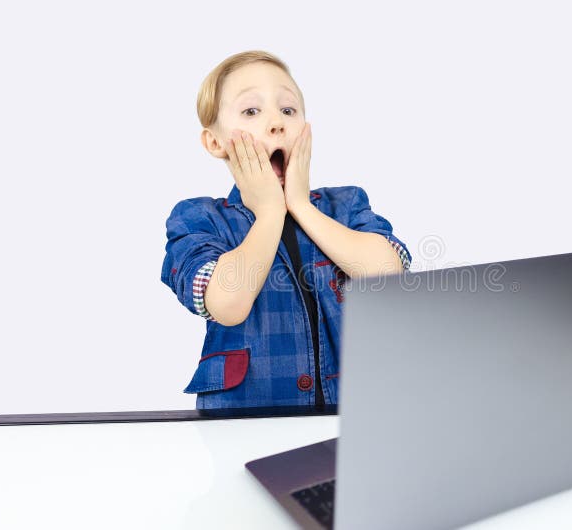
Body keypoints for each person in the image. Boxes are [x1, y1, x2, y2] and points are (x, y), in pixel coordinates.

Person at [160, 50, 412, 411]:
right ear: (214, 142)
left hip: (355, 414)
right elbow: (228, 303)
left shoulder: (347, 204)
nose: (276, 123)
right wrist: (268, 213)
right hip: (243, 421)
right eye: (251, 111)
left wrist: (302, 206)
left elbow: (388, 276)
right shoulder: (198, 217)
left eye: (289, 110)